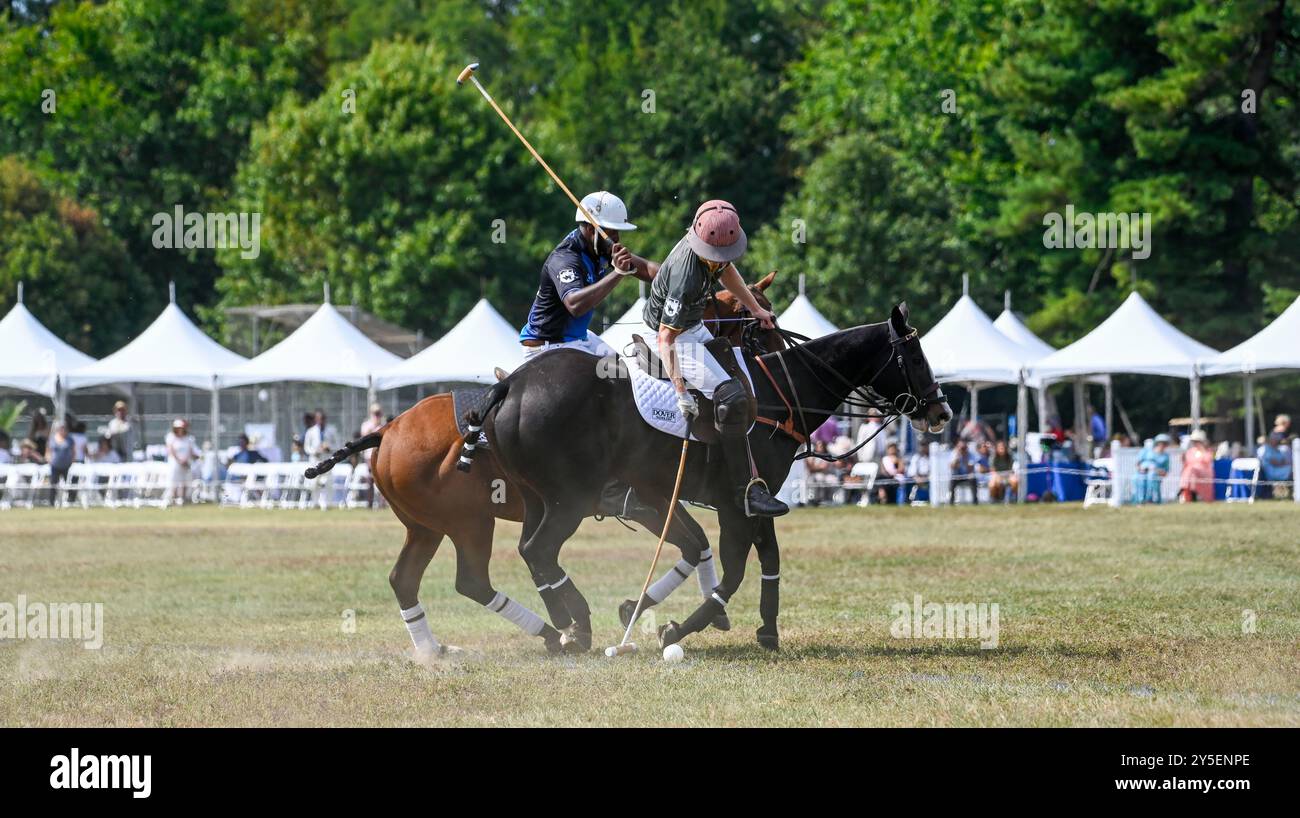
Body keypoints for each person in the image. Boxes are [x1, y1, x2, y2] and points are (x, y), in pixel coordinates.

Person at [520, 190, 661, 518]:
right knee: (607, 389)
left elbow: (649, 269)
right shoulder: (564, 258)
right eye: (610, 231)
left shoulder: (603, 247)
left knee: (630, 376)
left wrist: (682, 273)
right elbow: (576, 303)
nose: (615, 238)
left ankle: (630, 471)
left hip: (578, 338)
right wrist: (617, 274)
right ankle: (608, 486)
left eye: (617, 233)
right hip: (549, 345)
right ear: (589, 228)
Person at [644, 199, 785, 517]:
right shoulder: (686, 276)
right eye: (715, 255)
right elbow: (666, 337)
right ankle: (743, 491)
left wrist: (756, 308)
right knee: (731, 397)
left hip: (693, 326)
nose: (719, 259)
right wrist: (681, 391)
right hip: (674, 335)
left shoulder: (713, 249)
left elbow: (728, 272)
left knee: (743, 378)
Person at [304, 410, 340, 508]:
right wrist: (315, 451)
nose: (321, 421)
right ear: (316, 419)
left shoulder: (331, 430)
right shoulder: (311, 431)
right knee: (314, 483)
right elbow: (307, 448)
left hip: (327, 460)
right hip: (315, 460)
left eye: (323, 418)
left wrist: (329, 448)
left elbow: (337, 445)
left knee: (328, 482)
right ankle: (315, 503)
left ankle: (328, 504)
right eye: (319, 419)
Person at [165, 418, 199, 506]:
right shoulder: (171, 437)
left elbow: (190, 450)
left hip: (185, 463)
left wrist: (186, 460)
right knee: (174, 482)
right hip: (174, 463)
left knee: (184, 482)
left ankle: (182, 500)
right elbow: (170, 450)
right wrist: (179, 460)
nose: (180, 429)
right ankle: (173, 499)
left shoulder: (189, 438)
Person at [1179, 429, 1215, 503]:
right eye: (1195, 441)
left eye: (1198, 441)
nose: (1196, 443)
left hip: (1204, 473)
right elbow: (1187, 463)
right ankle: (1189, 492)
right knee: (1190, 471)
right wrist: (1183, 458)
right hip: (1191, 473)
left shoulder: (1208, 451)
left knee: (1191, 471)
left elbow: (1208, 460)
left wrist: (1203, 450)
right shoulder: (1191, 451)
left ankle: (1189, 491)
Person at [1136, 434, 1172, 504]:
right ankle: (1140, 500)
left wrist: (1154, 470)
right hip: (1142, 474)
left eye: (1164, 443)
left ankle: (1150, 500)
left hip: (1155, 476)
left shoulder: (1166, 456)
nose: (1162, 445)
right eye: (1160, 443)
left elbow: (1165, 472)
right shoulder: (1146, 451)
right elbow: (1138, 465)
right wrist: (1142, 469)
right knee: (1139, 478)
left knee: (1151, 476)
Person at [46, 422, 75, 505]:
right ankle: (52, 502)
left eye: (64, 428)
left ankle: (70, 500)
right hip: (55, 465)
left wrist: (72, 461)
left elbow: (73, 451)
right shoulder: (52, 439)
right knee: (53, 484)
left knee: (68, 483)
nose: (63, 430)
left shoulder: (69, 439)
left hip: (67, 465)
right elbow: (48, 451)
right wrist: (49, 459)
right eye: (61, 428)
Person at [1257, 431, 1292, 499]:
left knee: (1292, 470)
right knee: (1291, 470)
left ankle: (1292, 491)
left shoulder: (1277, 449)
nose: (1277, 441)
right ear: (1271, 439)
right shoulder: (1266, 448)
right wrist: (1283, 464)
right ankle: (1293, 491)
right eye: (1276, 439)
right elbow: (1274, 462)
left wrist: (1284, 463)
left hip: (1279, 468)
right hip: (1272, 471)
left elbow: (1282, 460)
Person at [948, 439, 979, 505]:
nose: (963, 449)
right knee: (952, 481)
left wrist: (965, 458)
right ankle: (951, 502)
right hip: (957, 476)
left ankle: (975, 502)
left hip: (967, 475)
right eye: (961, 448)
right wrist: (957, 458)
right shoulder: (953, 453)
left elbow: (970, 469)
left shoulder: (970, 455)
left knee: (973, 479)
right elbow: (952, 467)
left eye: (964, 448)